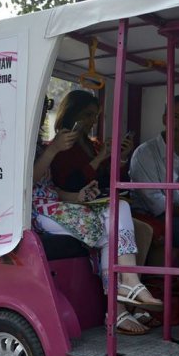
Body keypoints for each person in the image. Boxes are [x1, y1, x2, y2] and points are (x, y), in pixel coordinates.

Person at [34, 99, 161, 335]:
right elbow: (29, 184)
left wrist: (79, 195)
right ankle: (118, 307)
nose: (93, 121)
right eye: (89, 115)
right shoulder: (46, 146)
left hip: (60, 201)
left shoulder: (56, 146)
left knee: (120, 207)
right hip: (38, 211)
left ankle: (129, 285)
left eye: (46, 107)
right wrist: (55, 150)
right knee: (109, 229)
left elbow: (55, 189)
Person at [129, 95, 179, 268]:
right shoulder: (145, 153)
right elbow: (158, 205)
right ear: (164, 119)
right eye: (175, 116)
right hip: (152, 218)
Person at [50, 90, 133, 192]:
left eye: (95, 116)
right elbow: (70, 186)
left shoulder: (95, 145)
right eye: (88, 115)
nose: (94, 121)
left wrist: (122, 157)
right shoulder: (57, 149)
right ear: (71, 114)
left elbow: (115, 181)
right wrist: (98, 159)